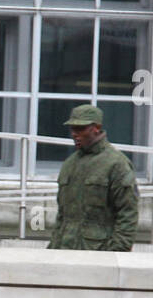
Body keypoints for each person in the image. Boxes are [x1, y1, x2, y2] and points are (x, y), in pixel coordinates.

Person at [48, 104, 140, 252]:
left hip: (98, 251)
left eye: (81, 129)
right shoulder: (70, 164)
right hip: (64, 249)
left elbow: (128, 213)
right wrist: (53, 248)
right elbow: (62, 215)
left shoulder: (117, 164)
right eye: (72, 129)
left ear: (96, 128)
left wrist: (116, 252)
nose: (75, 134)